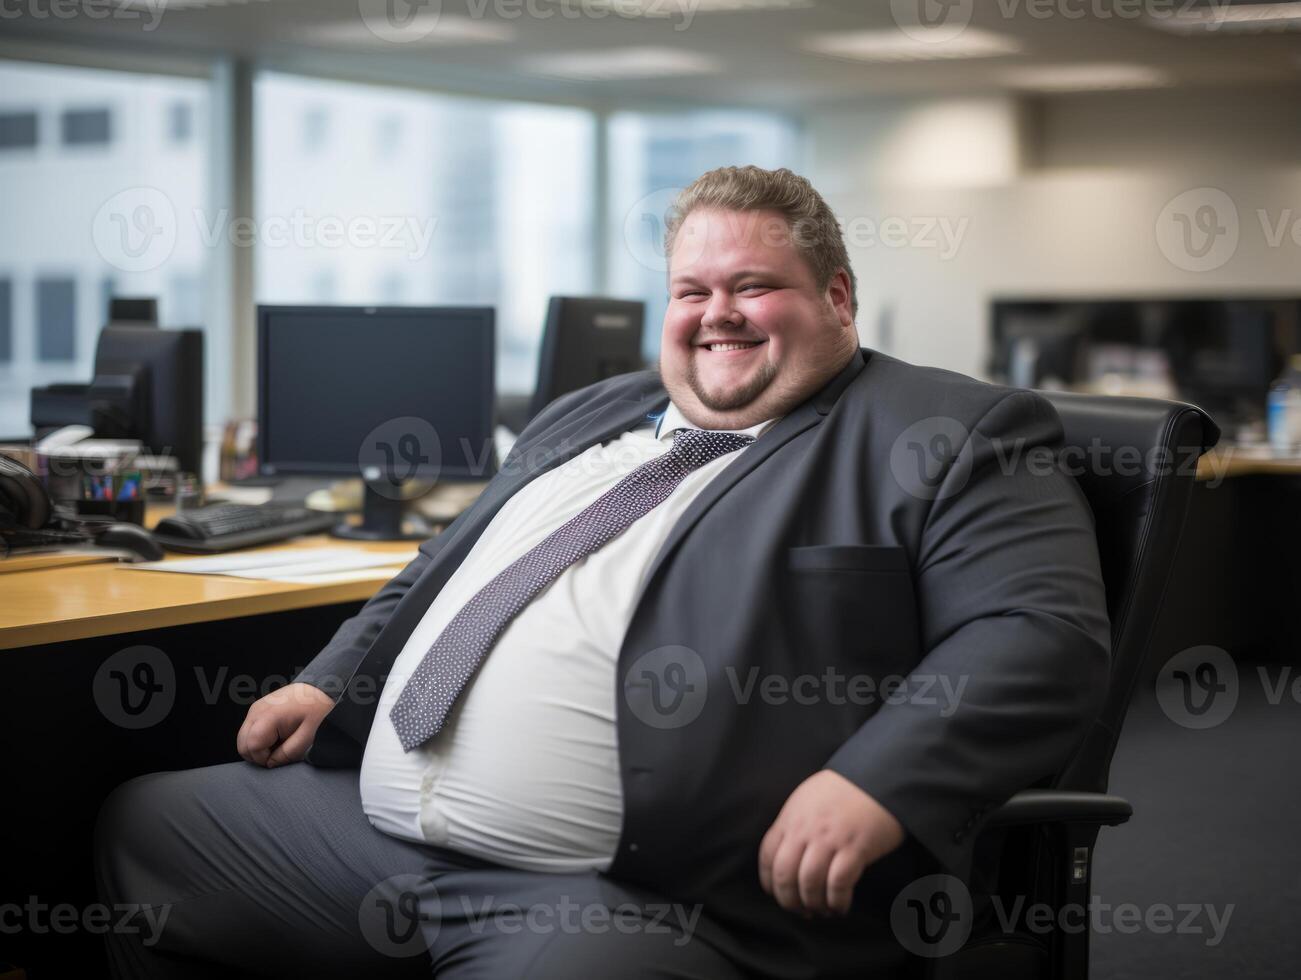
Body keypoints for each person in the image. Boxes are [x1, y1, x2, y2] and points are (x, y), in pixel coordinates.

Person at [95, 166, 1110, 978]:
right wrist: (328, 675)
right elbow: (438, 567)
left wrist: (871, 777)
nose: (719, 313)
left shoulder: (940, 429)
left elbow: (1035, 631)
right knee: (149, 825)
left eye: (753, 285)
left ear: (837, 297)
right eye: (691, 290)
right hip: (374, 836)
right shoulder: (590, 413)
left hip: (648, 889)